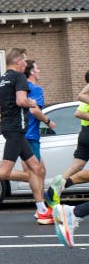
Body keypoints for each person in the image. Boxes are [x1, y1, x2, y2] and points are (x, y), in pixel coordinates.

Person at [0, 48, 50, 224]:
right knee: (4, 171)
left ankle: (41, 209)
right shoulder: (19, 77)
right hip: (16, 128)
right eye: (24, 60)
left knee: (36, 169)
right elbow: (21, 101)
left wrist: (2, 109)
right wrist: (31, 102)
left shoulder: (0, 80)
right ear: (17, 61)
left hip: (12, 129)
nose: (25, 64)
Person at [46, 70, 89, 207]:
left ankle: (54, 191)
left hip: (84, 134)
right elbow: (78, 113)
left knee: (76, 166)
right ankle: (65, 184)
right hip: (87, 133)